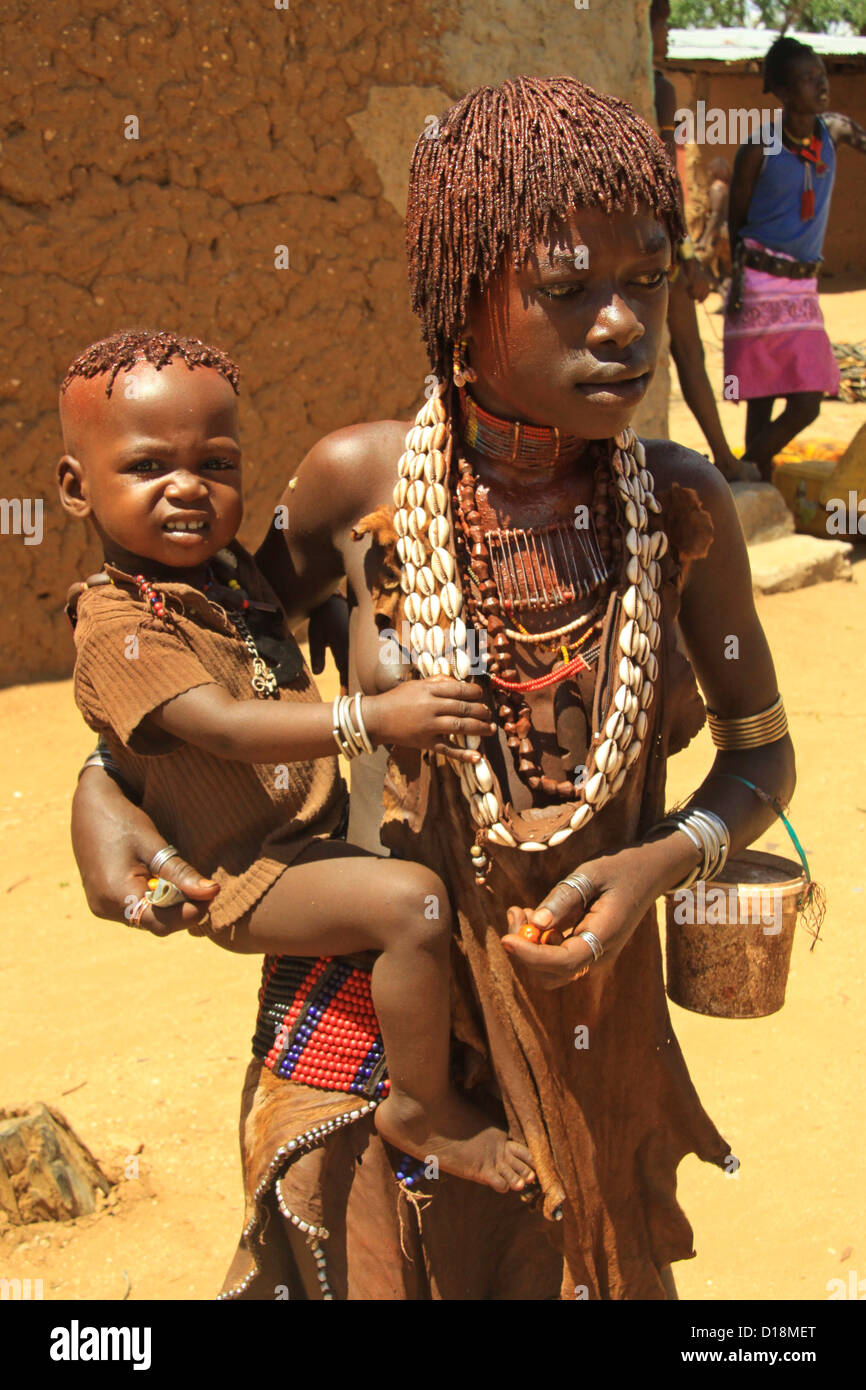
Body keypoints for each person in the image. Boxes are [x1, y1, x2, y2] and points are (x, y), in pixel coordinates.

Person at [71, 78, 796, 1301]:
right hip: (364, 1008)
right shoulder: (355, 482)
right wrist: (106, 793)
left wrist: (650, 867)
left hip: (577, 1013)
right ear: (464, 297)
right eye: (566, 289)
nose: (620, 322)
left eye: (648, 279)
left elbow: (761, 760)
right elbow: (195, 664)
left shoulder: (678, 509)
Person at [57, 328, 535, 1194]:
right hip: (247, 872)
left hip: (307, 835)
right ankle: (420, 1111)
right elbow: (229, 728)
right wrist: (374, 716)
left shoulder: (223, 573)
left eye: (218, 464)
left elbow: (288, 620)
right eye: (147, 468)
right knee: (414, 907)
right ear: (74, 487)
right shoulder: (117, 625)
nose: (188, 490)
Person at [725, 35, 866, 482]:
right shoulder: (758, 150)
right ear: (783, 93)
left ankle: (737, 473)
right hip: (760, 282)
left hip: (803, 286)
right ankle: (752, 484)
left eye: (821, 75)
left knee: (806, 399)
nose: (820, 84)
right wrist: (737, 286)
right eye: (807, 79)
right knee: (762, 397)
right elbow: (737, 222)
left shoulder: (835, 131)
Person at [650, 0, 758, 483]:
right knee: (683, 354)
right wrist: (687, 257)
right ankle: (724, 457)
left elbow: (667, 179)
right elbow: (665, 180)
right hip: (653, 245)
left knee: (685, 353)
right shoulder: (657, 91)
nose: (666, 33)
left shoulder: (662, 89)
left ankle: (723, 457)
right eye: (660, 21)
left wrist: (686, 254)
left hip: (655, 245)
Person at [695, 158, 732, 291]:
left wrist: (704, 239)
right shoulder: (727, 188)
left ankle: (721, 291)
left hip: (719, 235)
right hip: (728, 233)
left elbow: (715, 215)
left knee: (701, 264)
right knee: (725, 270)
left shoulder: (717, 189)